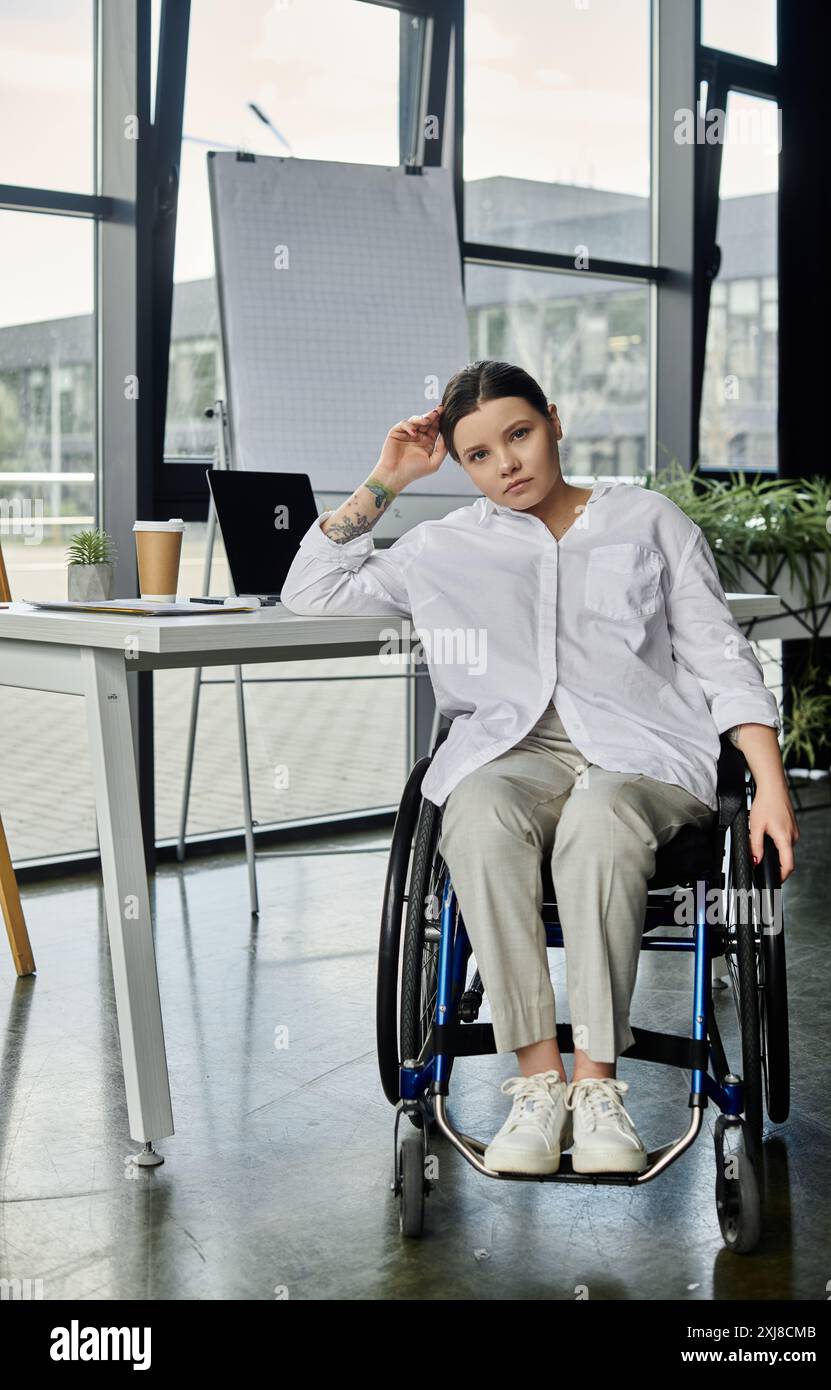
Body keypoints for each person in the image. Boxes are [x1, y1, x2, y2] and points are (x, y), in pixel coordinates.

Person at [281, 359, 800, 1178]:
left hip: (643, 757)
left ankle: (598, 1089)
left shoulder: (647, 520)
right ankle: (538, 1084)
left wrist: (769, 782)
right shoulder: (445, 545)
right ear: (459, 464)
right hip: (512, 755)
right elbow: (309, 589)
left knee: (601, 815)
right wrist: (386, 481)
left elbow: (720, 655)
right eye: (479, 455)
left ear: (554, 421)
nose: (507, 465)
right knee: (475, 805)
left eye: (518, 435)